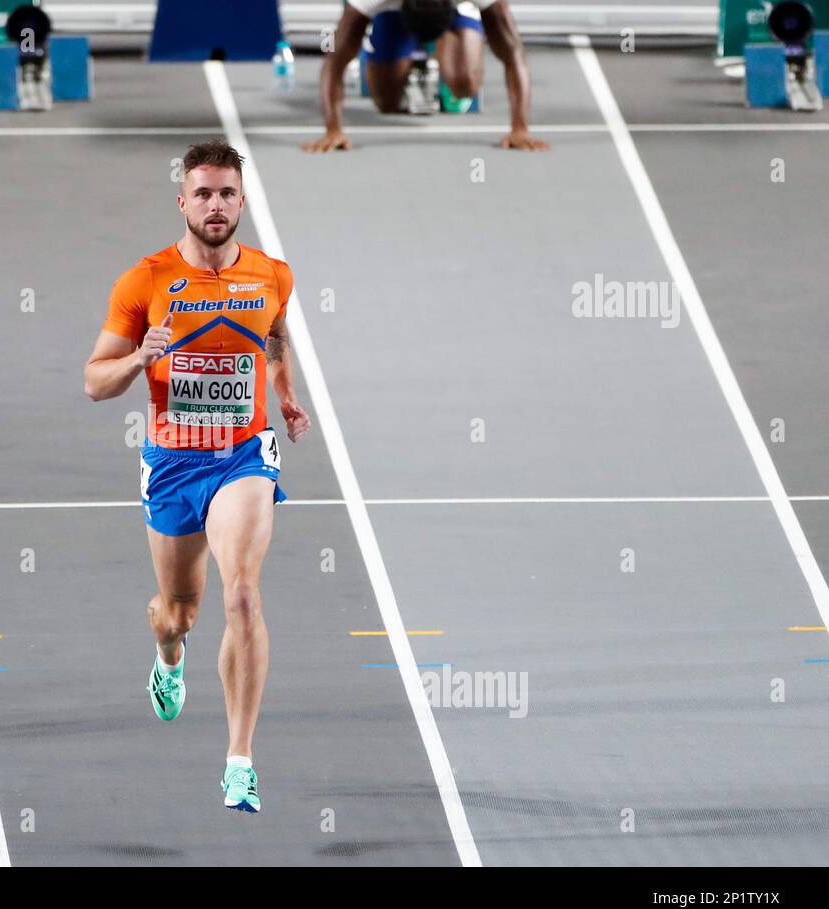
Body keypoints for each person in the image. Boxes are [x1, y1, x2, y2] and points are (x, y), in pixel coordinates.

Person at [83, 140, 312, 812]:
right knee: (177, 612)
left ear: (242, 200)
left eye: (228, 193)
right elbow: (94, 382)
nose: (216, 205)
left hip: (243, 454)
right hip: (173, 461)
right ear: (182, 200)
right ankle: (168, 655)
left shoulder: (273, 274)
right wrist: (136, 361)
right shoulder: (144, 282)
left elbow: (275, 334)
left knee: (242, 594)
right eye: (203, 193)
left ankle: (239, 758)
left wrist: (284, 389)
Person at [304, 0, 551, 153]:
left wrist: (520, 128)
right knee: (386, 102)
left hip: (455, 9)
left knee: (465, 86)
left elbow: (513, 54)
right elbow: (334, 63)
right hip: (392, 11)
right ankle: (396, 50)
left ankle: (453, 51)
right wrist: (333, 130)